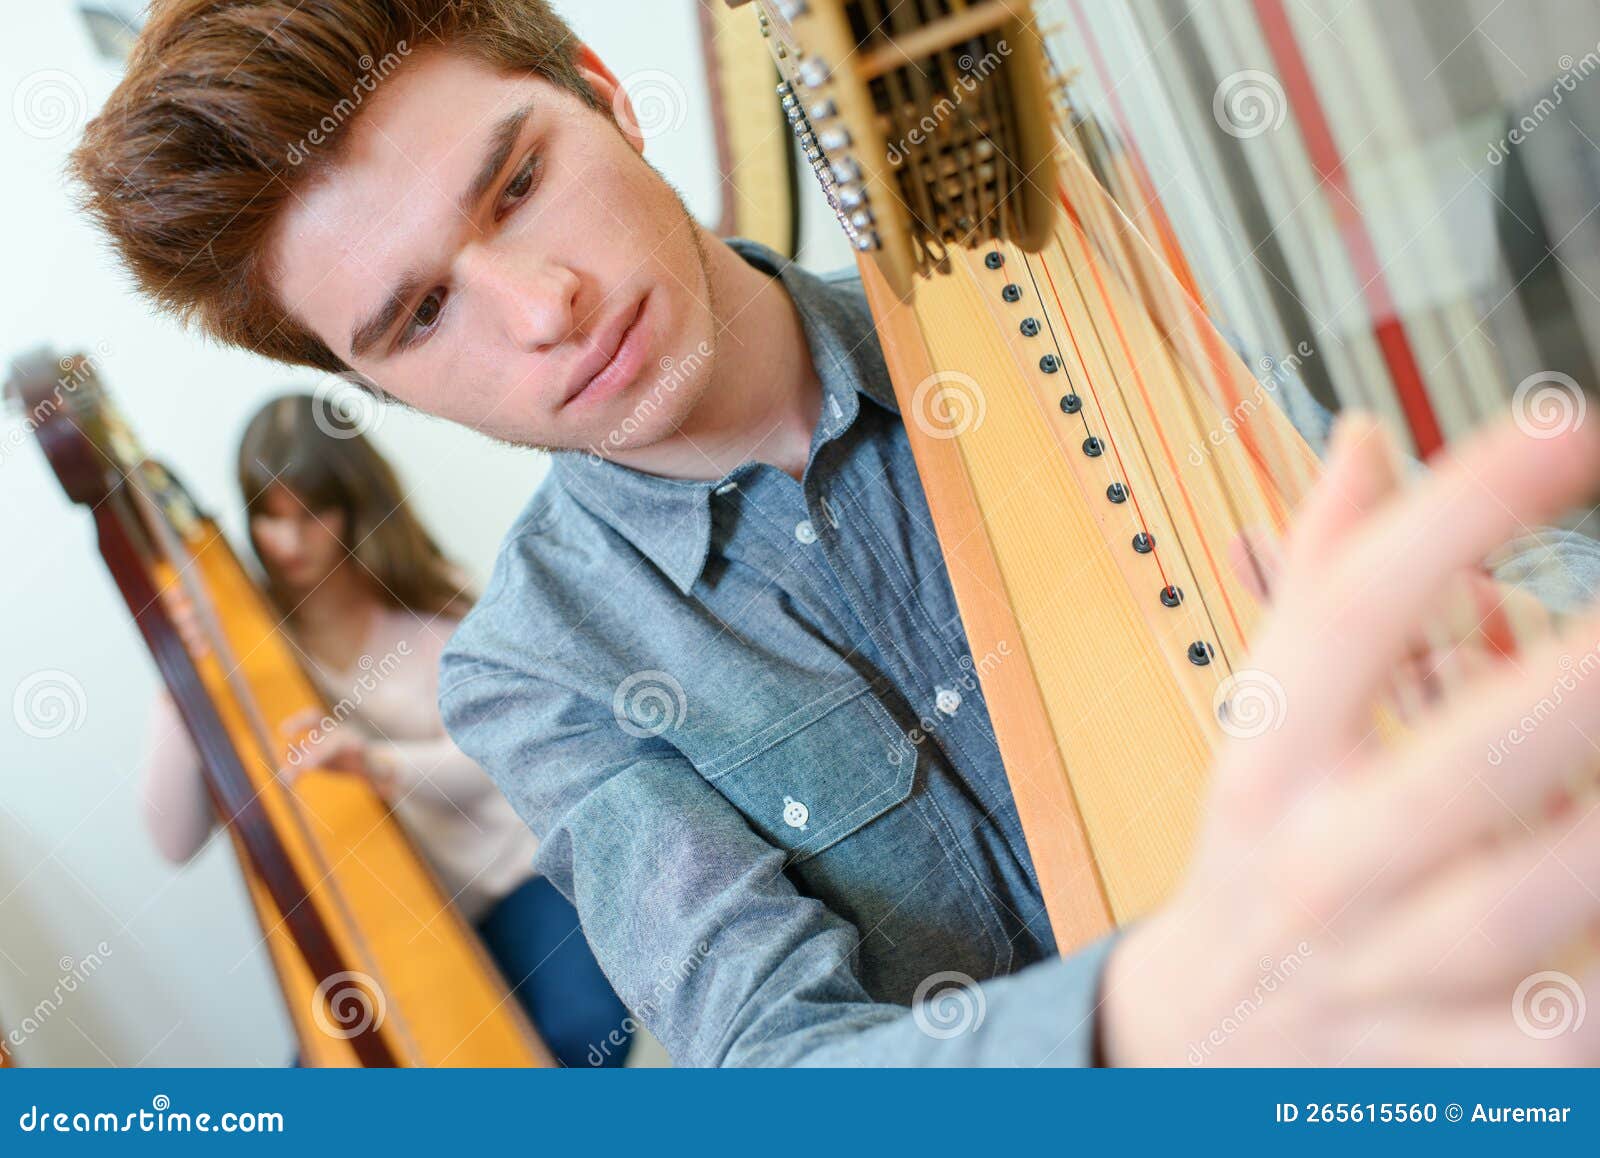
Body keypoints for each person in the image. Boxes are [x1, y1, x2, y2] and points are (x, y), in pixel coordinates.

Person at [77, 0, 1600, 1066]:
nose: (541, 311)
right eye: (419, 315)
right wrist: (1159, 1013)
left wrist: (1526, 633)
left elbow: (1421, 544)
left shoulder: (1050, 257)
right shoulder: (538, 671)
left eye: (522, 183)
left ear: (605, 90)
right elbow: (781, 1071)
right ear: (374, 386)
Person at [138, 393, 633, 1068]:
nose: (285, 543)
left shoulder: (433, 604)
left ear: (356, 509)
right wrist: (181, 682)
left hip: (512, 882)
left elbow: (503, 754)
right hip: (393, 927)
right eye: (266, 518)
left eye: (309, 516)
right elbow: (174, 842)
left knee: (581, 1030)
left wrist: (378, 762)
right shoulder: (249, 644)